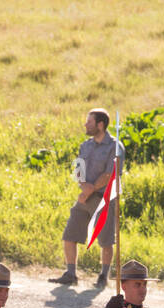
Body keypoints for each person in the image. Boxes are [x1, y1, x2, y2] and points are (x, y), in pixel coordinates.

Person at [50, 108, 117, 287]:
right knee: (70, 234)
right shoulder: (85, 145)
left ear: (100, 125)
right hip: (84, 198)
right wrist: (83, 186)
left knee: (105, 239)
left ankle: (103, 276)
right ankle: (71, 274)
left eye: (89, 122)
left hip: (104, 199)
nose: (85, 124)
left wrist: (91, 188)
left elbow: (110, 174)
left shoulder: (115, 147)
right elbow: (78, 169)